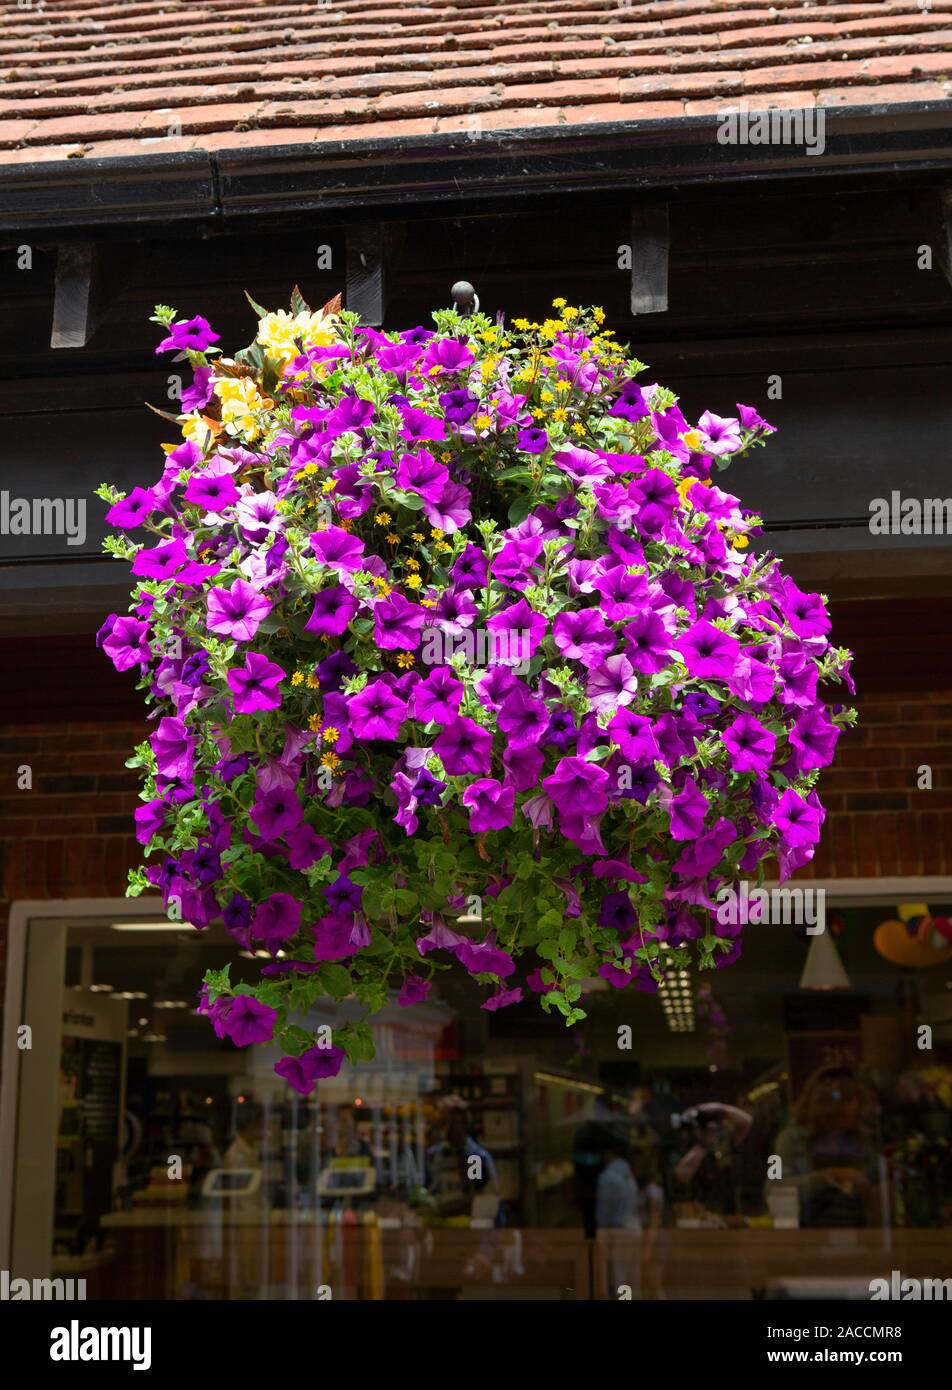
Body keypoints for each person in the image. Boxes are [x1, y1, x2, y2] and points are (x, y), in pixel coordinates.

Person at [771, 1065, 880, 1228]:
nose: (842, 1107)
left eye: (849, 1099)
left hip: (861, 1237)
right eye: (832, 1099)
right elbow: (774, 1188)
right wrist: (828, 1177)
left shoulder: (864, 1140)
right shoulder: (793, 1139)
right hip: (808, 1237)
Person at [673, 1101, 752, 1217]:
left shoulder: (722, 1143)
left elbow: (747, 1122)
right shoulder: (684, 1149)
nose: (710, 1127)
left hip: (726, 1212)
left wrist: (722, 1108)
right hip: (697, 1214)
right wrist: (703, 1144)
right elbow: (681, 1176)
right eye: (703, 1125)